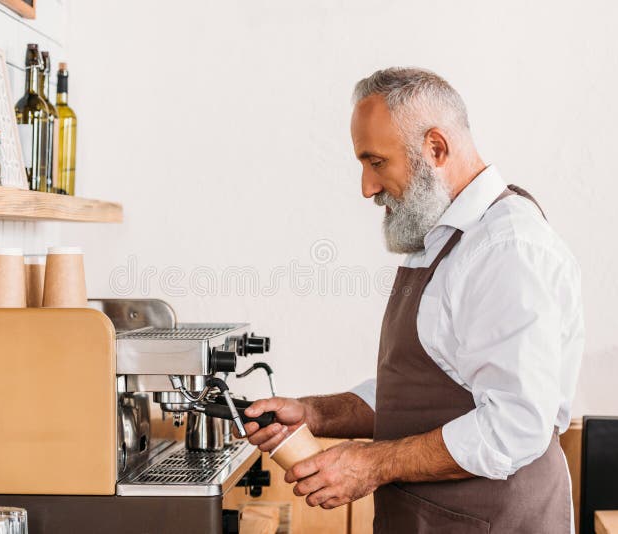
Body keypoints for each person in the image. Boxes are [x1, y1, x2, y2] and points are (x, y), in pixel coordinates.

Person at [243, 67, 583, 533]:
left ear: (436, 149)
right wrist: (316, 414)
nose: (367, 187)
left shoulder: (507, 248)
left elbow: (515, 426)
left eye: (376, 162)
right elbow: (417, 394)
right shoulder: (441, 236)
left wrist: (372, 463)